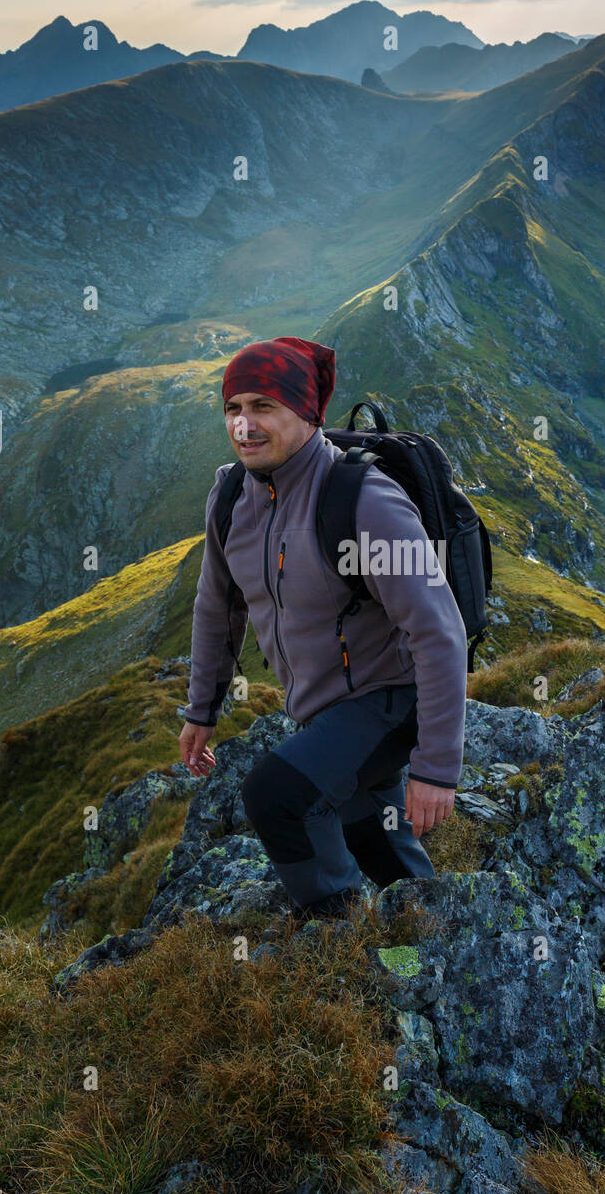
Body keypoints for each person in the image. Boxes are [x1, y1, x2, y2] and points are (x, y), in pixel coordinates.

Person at [179, 336, 467, 917]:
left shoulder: (363, 501)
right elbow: (217, 605)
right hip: (327, 708)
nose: (244, 425)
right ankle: (427, 927)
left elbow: (439, 632)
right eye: (233, 408)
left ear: (308, 415)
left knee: (278, 796)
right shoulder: (232, 493)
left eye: (264, 407)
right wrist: (201, 711)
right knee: (370, 831)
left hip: (393, 698)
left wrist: (437, 769)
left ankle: (338, 939)